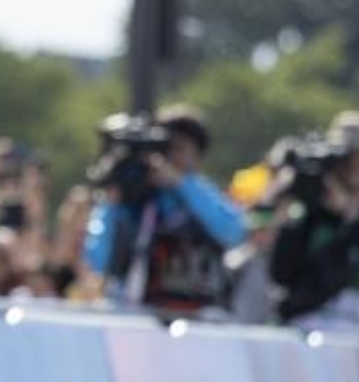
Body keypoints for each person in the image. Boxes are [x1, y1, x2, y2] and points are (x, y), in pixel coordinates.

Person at [82, 104, 246, 314]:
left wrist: (181, 184)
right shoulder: (135, 202)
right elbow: (98, 260)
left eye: (180, 148)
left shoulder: (202, 193)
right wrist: (113, 202)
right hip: (140, 315)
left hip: (198, 315)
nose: (170, 156)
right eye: (166, 148)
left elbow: (233, 232)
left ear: (197, 156)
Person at [269, 113, 359, 333]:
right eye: (349, 159)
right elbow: (280, 273)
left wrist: (350, 217)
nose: (358, 167)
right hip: (303, 331)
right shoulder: (306, 217)